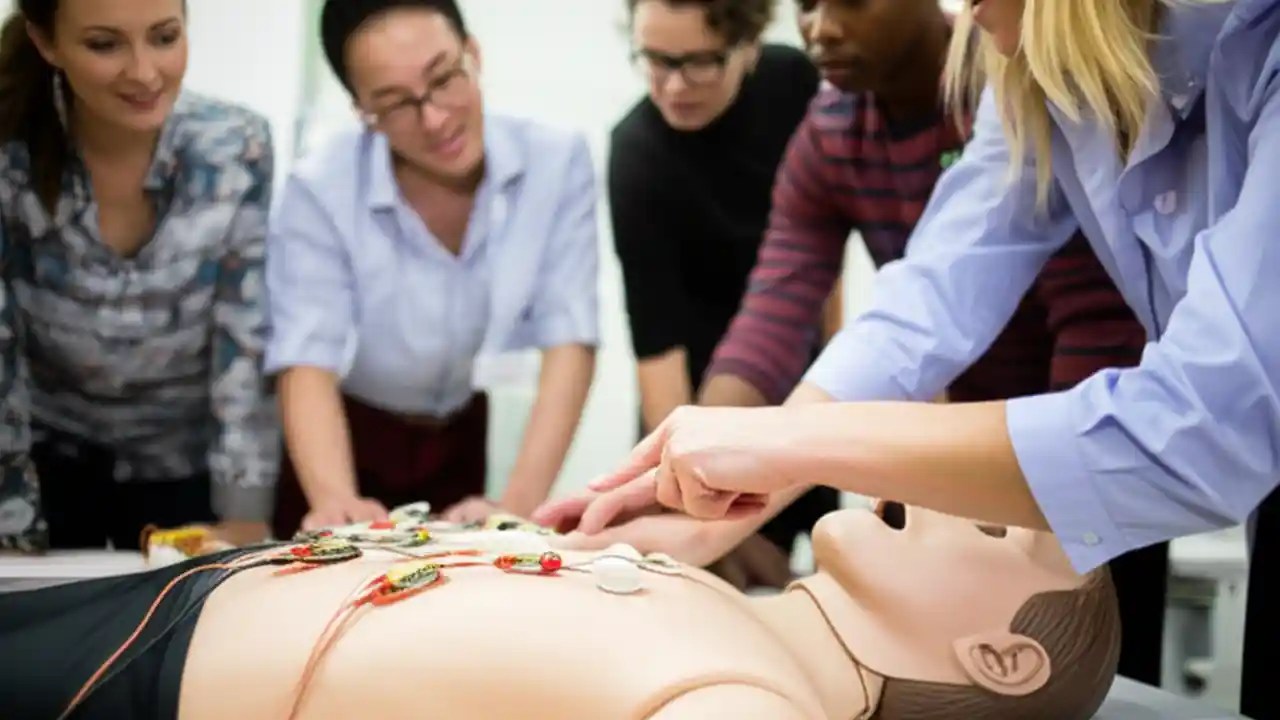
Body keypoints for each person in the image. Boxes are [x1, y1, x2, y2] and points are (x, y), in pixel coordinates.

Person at [541, 0, 1280, 715]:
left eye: (991, 522)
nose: (920, 496)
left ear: (1000, 658)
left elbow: (1201, 425)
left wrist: (784, 447)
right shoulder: (1029, 73)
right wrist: (737, 485)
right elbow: (929, 296)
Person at [0, 502, 1121, 720]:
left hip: (145, 679)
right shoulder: (742, 612)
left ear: (999, 660)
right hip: (190, 596)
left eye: (990, 531)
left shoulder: (753, 704)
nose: (939, 497)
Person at [265, 0, 598, 540]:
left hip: (461, 434)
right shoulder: (319, 187)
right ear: (361, 110)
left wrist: (517, 508)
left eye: (444, 78)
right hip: (349, 433)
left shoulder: (554, 162)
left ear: (474, 53)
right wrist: (336, 502)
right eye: (395, 105)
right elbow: (306, 355)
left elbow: (570, 337)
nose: (435, 118)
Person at [0, 0, 277, 553]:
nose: (145, 72)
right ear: (46, 41)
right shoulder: (11, 152)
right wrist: (11, 528)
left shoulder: (236, 148)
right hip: (42, 467)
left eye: (165, 37)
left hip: (187, 472)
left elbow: (242, 343)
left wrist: (245, 516)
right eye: (105, 44)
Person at [608, 0, 837, 589]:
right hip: (692, 399)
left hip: (798, 385)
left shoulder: (793, 84)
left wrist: (838, 370)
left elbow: (822, 253)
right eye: (655, 60)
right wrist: (682, 478)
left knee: (817, 568)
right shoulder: (637, 155)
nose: (675, 85)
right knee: (716, 575)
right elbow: (655, 344)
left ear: (749, 45)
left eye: (701, 62)